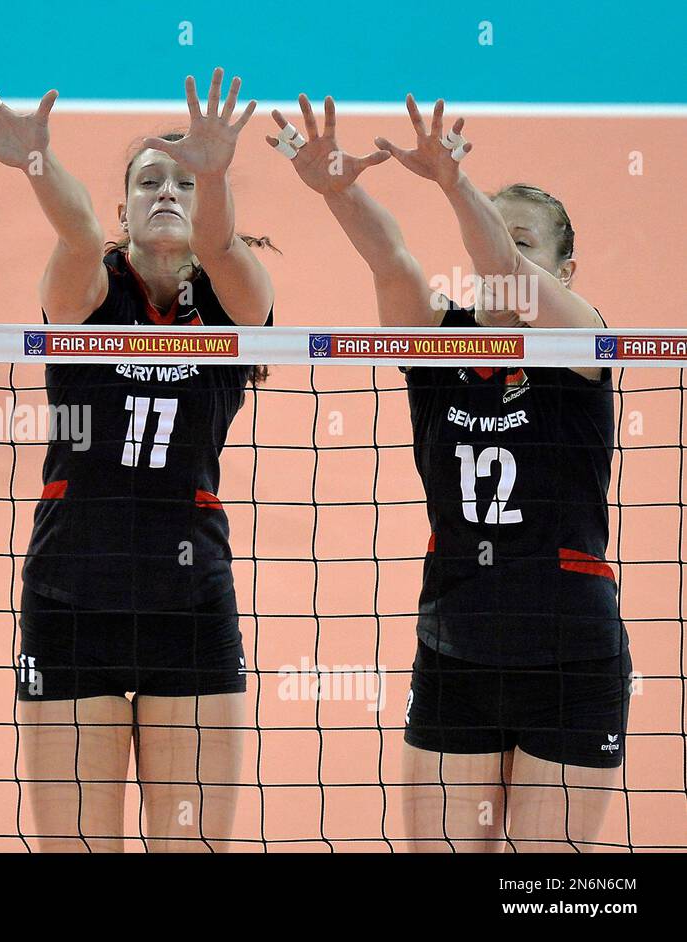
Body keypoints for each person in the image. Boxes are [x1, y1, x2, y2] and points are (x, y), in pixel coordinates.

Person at [270, 94, 630, 851]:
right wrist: (339, 189)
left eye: (526, 245)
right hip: (456, 648)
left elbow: (504, 269)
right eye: (491, 239)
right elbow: (389, 258)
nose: (498, 257)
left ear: (566, 269)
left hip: (570, 655)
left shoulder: (582, 340)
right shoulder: (442, 344)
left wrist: (456, 187)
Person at [0, 69, 274, 851]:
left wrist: (217, 170)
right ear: (123, 213)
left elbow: (222, 244)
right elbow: (72, 229)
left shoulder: (237, 307)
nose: (168, 192)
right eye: (149, 182)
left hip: (189, 604)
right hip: (69, 599)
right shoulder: (86, 294)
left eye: (185, 183)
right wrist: (35, 161)